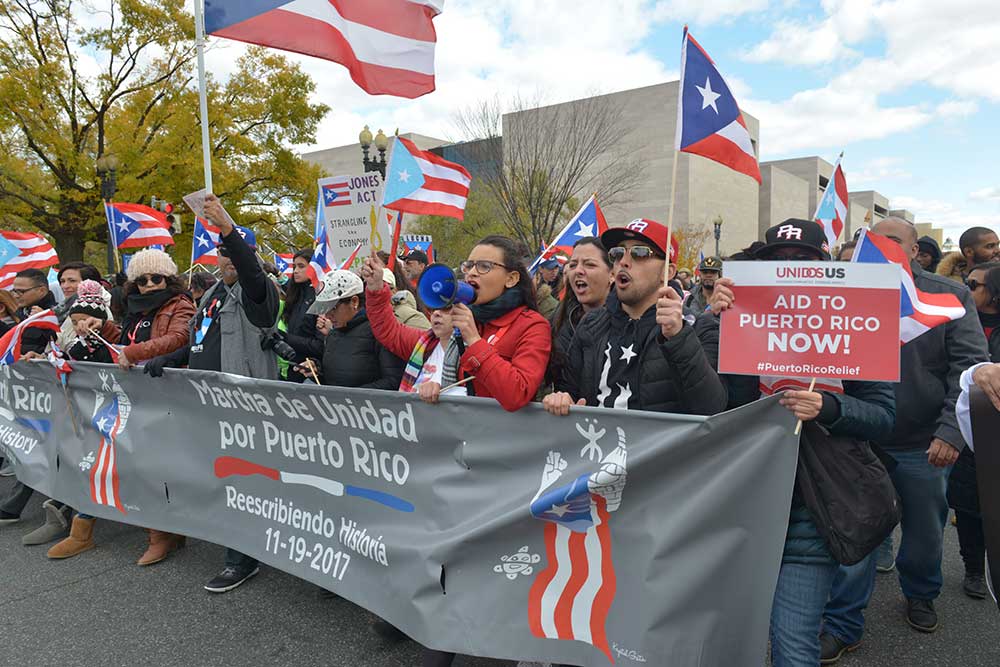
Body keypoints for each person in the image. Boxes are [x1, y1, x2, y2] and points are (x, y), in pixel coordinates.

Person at [705, 218, 896, 667]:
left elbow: (886, 417)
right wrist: (714, 325)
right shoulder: (737, 318)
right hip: (743, 502)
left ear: (824, 267)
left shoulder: (857, 325)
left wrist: (829, 408)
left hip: (812, 504)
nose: (788, 268)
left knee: (792, 642)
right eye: (776, 261)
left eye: (802, 260)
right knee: (725, 637)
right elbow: (717, 404)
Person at [371, 235, 550, 667]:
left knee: (481, 558)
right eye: (468, 265)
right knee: (442, 547)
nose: (471, 273)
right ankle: (435, 628)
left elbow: (518, 392)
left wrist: (471, 337)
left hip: (498, 464)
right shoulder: (458, 322)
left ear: (511, 278)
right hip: (452, 458)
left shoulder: (530, 325)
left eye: (484, 267)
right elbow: (402, 340)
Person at [820, 217, 989, 662]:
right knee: (855, 532)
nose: (878, 247)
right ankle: (842, 622)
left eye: (891, 241)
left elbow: (968, 367)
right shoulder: (843, 288)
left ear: (915, 252)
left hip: (922, 442)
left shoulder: (949, 296)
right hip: (856, 436)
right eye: (869, 240)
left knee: (924, 531)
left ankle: (920, 592)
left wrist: (951, 432)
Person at [145, 194, 280, 594]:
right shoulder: (212, 294)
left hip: (244, 407)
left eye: (233, 251)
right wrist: (172, 357)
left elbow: (252, 276)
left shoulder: (260, 292)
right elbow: (204, 340)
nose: (225, 258)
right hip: (210, 405)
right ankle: (241, 544)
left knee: (243, 480)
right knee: (222, 477)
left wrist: (227, 227)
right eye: (222, 252)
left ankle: (241, 559)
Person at [545, 218, 727, 416]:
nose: (623, 261)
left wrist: (679, 338)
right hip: (597, 444)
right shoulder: (591, 324)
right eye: (617, 253)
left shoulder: (699, 328)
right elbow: (568, 391)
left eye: (639, 253)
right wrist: (561, 400)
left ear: (667, 271)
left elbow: (712, 407)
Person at [945, 261, 1000, 600]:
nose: (967, 288)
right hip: (971, 433)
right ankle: (973, 568)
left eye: (975, 285)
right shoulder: (960, 321)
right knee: (967, 506)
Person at [0, 269, 60, 526]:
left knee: (35, 446)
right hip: (23, 394)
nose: (16, 295)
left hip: (47, 396)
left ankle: (14, 507)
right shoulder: (23, 315)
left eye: (21, 291)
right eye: (14, 290)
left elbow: (61, 351)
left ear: (41, 291)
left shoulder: (54, 316)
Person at [293, 269, 406, 390]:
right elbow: (335, 380)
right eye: (324, 308)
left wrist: (352, 398)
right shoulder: (333, 334)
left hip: (369, 408)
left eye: (333, 308)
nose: (327, 315)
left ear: (354, 302)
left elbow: (394, 381)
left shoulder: (380, 331)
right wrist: (317, 370)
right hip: (339, 407)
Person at [550, 237, 613, 384]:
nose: (578, 271)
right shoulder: (557, 320)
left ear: (612, 274)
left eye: (589, 264)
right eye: (573, 265)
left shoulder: (627, 323)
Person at [277, 248, 320, 383]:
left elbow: (319, 346)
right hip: (290, 368)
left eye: (301, 266)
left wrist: (285, 337)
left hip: (311, 373)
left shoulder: (320, 298)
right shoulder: (295, 295)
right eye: (294, 266)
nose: (295, 271)